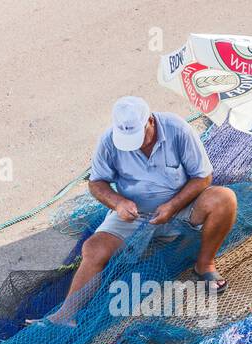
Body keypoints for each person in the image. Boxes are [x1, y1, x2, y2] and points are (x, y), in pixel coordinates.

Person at [52, 96, 237, 325]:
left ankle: (205, 264)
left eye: (139, 138)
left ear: (150, 120)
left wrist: (172, 205)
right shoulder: (108, 141)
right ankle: (65, 315)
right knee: (93, 248)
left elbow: (203, 177)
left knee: (225, 199)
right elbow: (96, 183)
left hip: (181, 206)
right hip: (133, 214)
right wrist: (118, 203)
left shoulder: (177, 129)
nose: (136, 145)